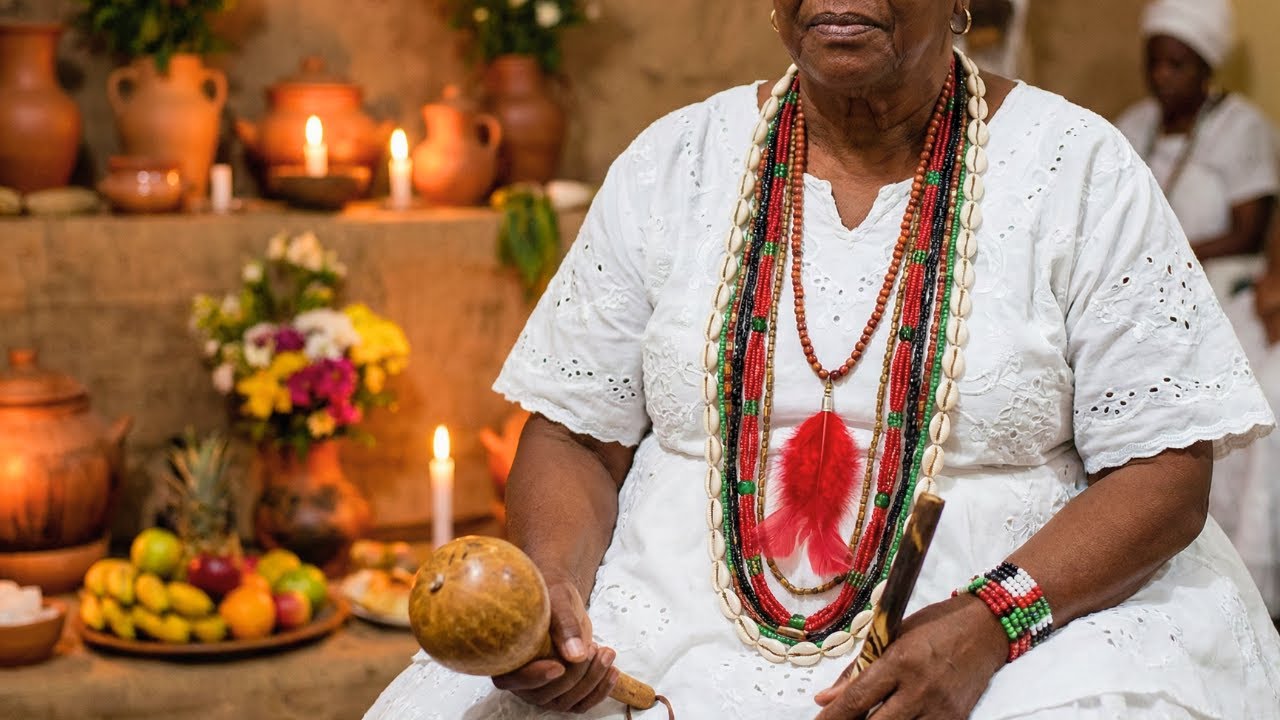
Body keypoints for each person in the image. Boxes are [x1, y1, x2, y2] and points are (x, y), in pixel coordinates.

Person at [368, 1, 1280, 717]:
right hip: (661, 616)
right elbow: (576, 431)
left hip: (1026, 624)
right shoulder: (674, 162)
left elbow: (1166, 470)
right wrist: (552, 592)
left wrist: (988, 626)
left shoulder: (1079, 167)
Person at [1116, 0, 1278, 301]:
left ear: (1205, 67)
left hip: (1219, 291)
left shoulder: (1241, 127)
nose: (1161, 75)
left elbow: (1249, 235)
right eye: (1153, 63)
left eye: (1176, 65)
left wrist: (1171, 256)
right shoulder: (1133, 124)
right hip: (1139, 286)